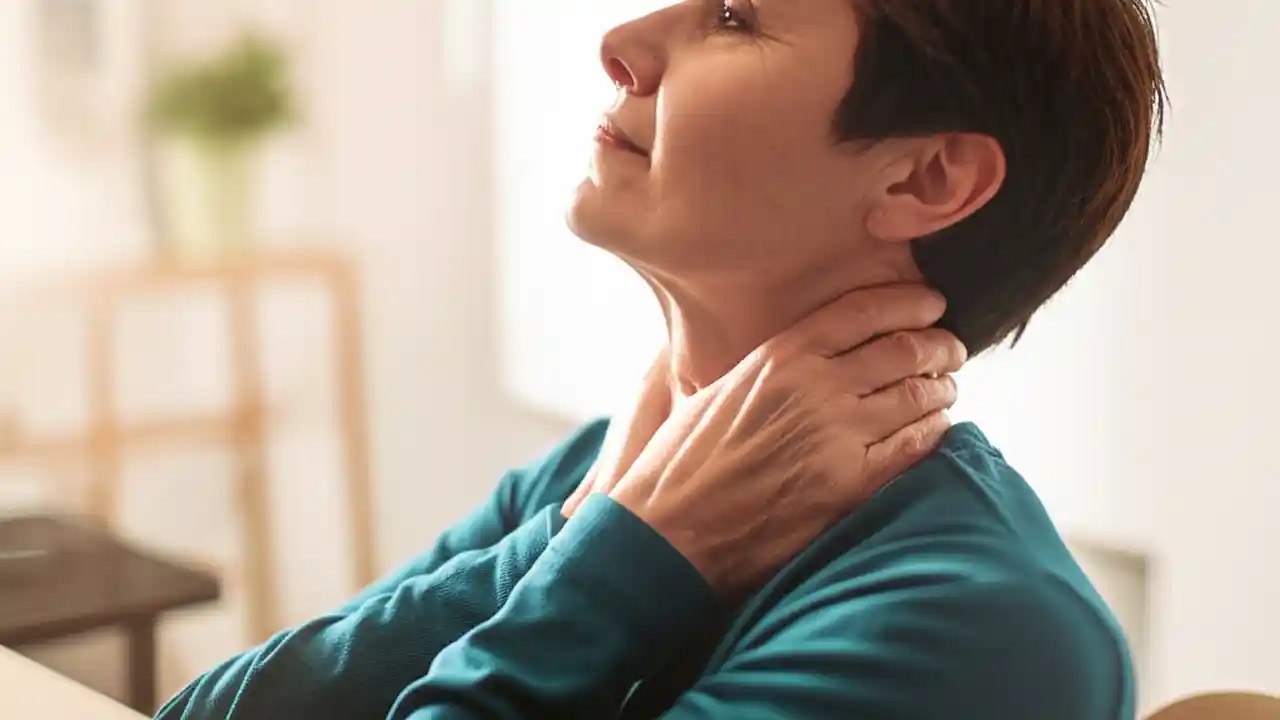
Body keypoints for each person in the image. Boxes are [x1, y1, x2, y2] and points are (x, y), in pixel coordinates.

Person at [158, 1, 1165, 718]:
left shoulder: (979, 630)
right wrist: (586, 532)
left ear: (924, 176)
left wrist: (629, 562)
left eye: (732, 14)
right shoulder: (602, 477)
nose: (621, 41)